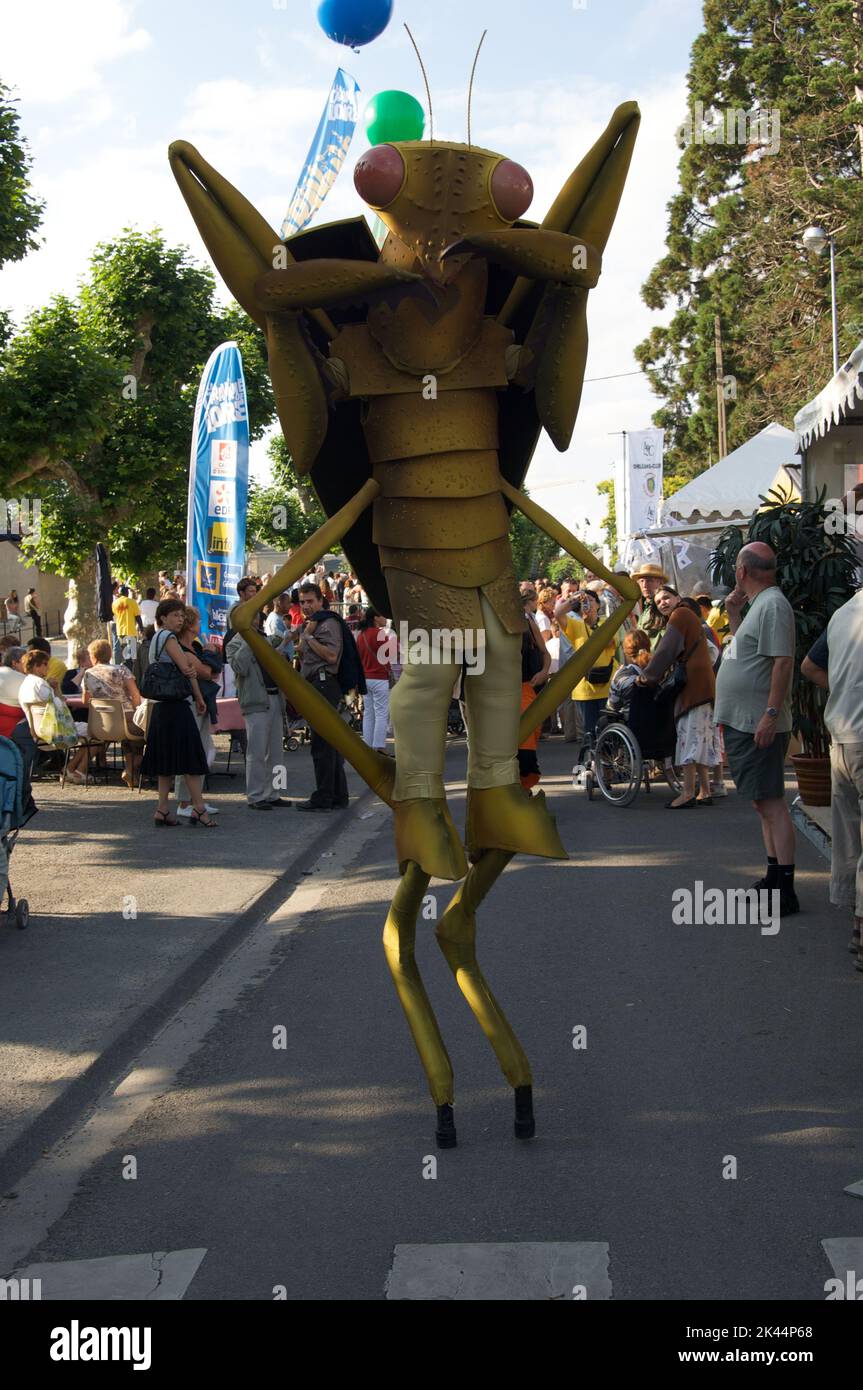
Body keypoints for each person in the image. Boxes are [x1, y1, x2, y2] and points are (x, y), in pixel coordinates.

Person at [713, 542, 797, 914]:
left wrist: (770, 713)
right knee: (762, 802)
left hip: (756, 721)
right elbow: (739, 655)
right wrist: (733, 614)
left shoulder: (773, 605)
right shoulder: (758, 606)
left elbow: (782, 663)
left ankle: (786, 889)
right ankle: (774, 875)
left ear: (742, 571)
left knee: (772, 803)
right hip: (745, 720)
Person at [801, 587, 863, 967]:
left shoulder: (845, 611)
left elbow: (809, 667)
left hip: (839, 736)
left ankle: (856, 922)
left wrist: (841, 689)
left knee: (848, 835)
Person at [638, 585, 720, 808]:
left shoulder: (680, 614)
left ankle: (687, 793)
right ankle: (704, 790)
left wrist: (646, 677)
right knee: (699, 736)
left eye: (666, 597)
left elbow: (665, 651)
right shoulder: (687, 615)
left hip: (693, 687)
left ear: (677, 598)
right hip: (703, 684)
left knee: (689, 737)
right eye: (658, 602)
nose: (662, 603)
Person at [139, 599, 215, 827]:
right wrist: (200, 698)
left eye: (181, 616)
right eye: (175, 615)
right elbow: (187, 669)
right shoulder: (169, 638)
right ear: (163, 617)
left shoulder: (153, 640)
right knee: (190, 758)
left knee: (165, 762)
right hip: (177, 705)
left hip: (161, 706)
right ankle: (199, 808)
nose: (180, 619)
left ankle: (162, 808)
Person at [226, 604, 291, 811]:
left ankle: (276, 792)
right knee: (256, 751)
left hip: (274, 697)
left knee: (277, 752)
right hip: (255, 701)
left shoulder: (264, 637)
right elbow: (239, 667)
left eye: (255, 616)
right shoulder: (234, 643)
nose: (255, 620)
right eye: (249, 617)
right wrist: (248, 639)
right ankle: (255, 796)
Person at [295, 582, 348, 811]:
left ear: (320, 600)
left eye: (310, 601)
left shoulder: (326, 623)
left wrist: (308, 639)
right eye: (302, 602)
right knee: (329, 743)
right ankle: (336, 795)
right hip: (320, 684)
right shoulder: (314, 624)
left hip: (325, 684)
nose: (306, 606)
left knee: (322, 744)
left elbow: (331, 655)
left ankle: (324, 797)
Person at [80, 638, 145, 789]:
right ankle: (131, 769)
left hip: (101, 723)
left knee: (126, 735)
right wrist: (137, 711)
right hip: (124, 717)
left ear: (93, 656)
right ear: (109, 655)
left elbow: (85, 700)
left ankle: (131, 771)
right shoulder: (121, 670)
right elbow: (135, 694)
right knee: (144, 730)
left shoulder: (88, 674)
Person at [19, 649, 89, 783]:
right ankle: (76, 769)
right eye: (45, 664)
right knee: (95, 731)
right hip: (55, 731)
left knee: (89, 731)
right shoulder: (41, 685)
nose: (48, 667)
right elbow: (61, 706)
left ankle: (72, 769)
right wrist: (56, 689)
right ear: (36, 666)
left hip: (38, 732)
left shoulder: (25, 684)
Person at [557, 589, 616, 741]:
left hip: (607, 687)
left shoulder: (609, 623)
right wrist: (573, 600)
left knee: (609, 733)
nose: (587, 602)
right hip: (585, 689)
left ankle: (608, 763)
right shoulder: (575, 626)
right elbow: (558, 614)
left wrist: (592, 623)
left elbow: (608, 642)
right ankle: (590, 764)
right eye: (584, 600)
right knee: (590, 735)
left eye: (590, 599)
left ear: (598, 604)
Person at [518, 605, 550, 789]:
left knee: (528, 735)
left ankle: (524, 786)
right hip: (498, 692)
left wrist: (544, 671)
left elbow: (544, 652)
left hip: (525, 688)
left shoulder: (527, 622)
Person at [357, 608, 391, 754]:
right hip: (379, 678)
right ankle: (379, 745)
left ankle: (368, 745)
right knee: (381, 713)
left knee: (369, 712)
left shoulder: (361, 635)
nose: (385, 618)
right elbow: (388, 654)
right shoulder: (380, 634)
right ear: (376, 618)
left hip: (365, 677)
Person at [606, 629, 652, 721]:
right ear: (649, 647)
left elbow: (612, 706)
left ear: (625, 652)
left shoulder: (621, 677)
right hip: (660, 726)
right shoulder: (660, 670)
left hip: (631, 727)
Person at [631, 562, 668, 649]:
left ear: (660, 583)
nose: (644, 585)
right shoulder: (646, 607)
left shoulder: (664, 607)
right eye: (642, 581)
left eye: (649, 581)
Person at [112, 584, 141, 664]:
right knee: (132, 655)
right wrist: (141, 628)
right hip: (130, 630)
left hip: (120, 631)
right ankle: (132, 669)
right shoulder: (132, 602)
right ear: (127, 593)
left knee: (124, 654)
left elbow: (114, 615)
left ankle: (124, 667)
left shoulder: (115, 603)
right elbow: (137, 617)